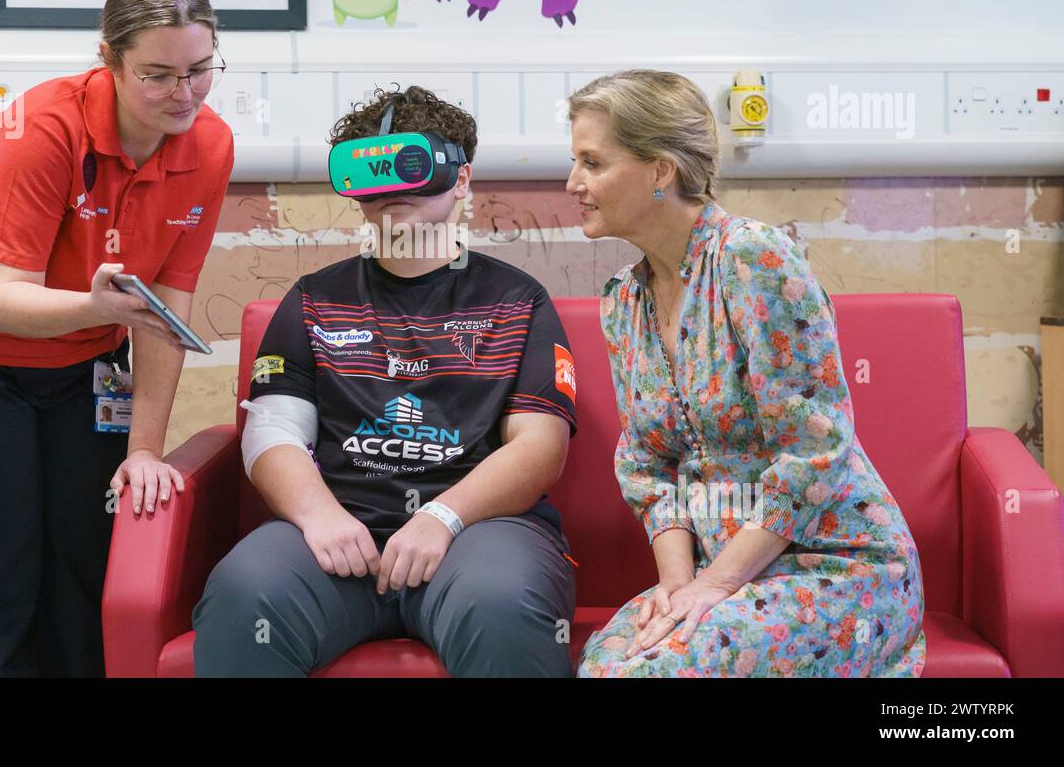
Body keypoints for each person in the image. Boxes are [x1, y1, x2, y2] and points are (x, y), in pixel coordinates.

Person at [0, 0, 234, 676]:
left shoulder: (210, 145)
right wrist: (97, 308)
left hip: (85, 368)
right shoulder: (42, 124)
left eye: (201, 70)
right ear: (108, 60)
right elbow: (4, 303)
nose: (183, 94)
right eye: (158, 75)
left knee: (86, 575)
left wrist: (144, 449)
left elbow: (167, 311)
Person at [190, 86, 578, 676]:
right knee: (246, 593)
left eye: (413, 171)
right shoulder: (314, 301)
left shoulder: (517, 302)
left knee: (502, 604)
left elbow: (540, 447)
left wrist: (439, 518)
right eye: (374, 175)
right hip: (337, 533)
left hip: (478, 532)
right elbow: (270, 434)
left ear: (462, 178)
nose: (394, 195)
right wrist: (319, 515)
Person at [566, 70, 925, 677]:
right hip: (718, 572)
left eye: (592, 163)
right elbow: (647, 466)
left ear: (660, 171)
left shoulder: (752, 258)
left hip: (834, 564)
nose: (573, 183)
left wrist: (719, 583)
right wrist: (680, 587)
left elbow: (816, 448)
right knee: (605, 663)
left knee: (654, 673)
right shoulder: (623, 302)